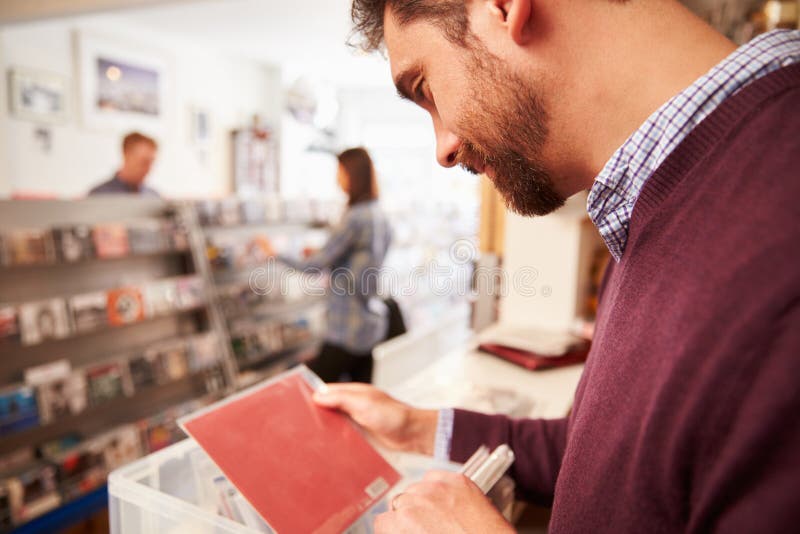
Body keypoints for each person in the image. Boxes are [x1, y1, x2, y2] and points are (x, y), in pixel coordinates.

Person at [312, 1, 800, 533]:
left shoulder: (777, 229)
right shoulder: (658, 203)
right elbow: (603, 458)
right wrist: (417, 427)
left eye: (426, 88)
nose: (444, 149)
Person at [276, 148, 392, 383]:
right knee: (358, 399)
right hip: (368, 325)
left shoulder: (355, 217)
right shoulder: (378, 214)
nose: (337, 179)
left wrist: (275, 253)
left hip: (346, 329)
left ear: (353, 174)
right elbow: (359, 257)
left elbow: (312, 267)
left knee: (316, 391)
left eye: (340, 172)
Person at [88, 132, 160, 196]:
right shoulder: (98, 195)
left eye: (152, 162)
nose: (149, 168)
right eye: (144, 162)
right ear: (126, 155)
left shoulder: (154, 196)